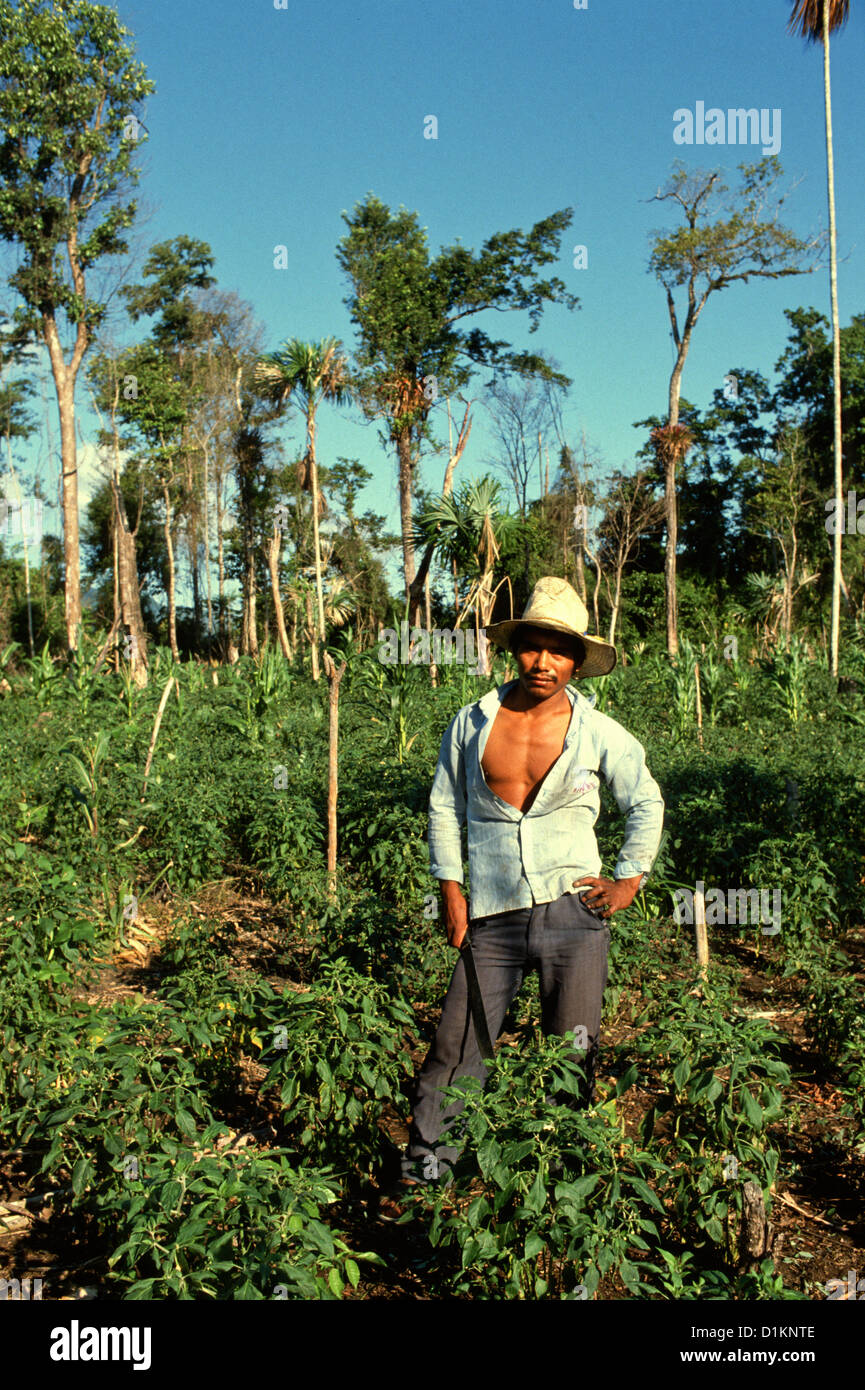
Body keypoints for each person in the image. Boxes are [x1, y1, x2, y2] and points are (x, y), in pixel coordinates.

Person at [377, 576, 665, 1220]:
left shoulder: (599, 732)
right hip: (493, 911)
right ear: (516, 650)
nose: (544, 663)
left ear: (576, 660)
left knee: (573, 1049)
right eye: (533, 648)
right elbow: (444, 807)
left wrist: (626, 881)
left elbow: (645, 801)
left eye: (559, 652)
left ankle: (566, 1191)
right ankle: (428, 1173)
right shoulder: (475, 722)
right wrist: (451, 893)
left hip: (574, 913)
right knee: (457, 1044)